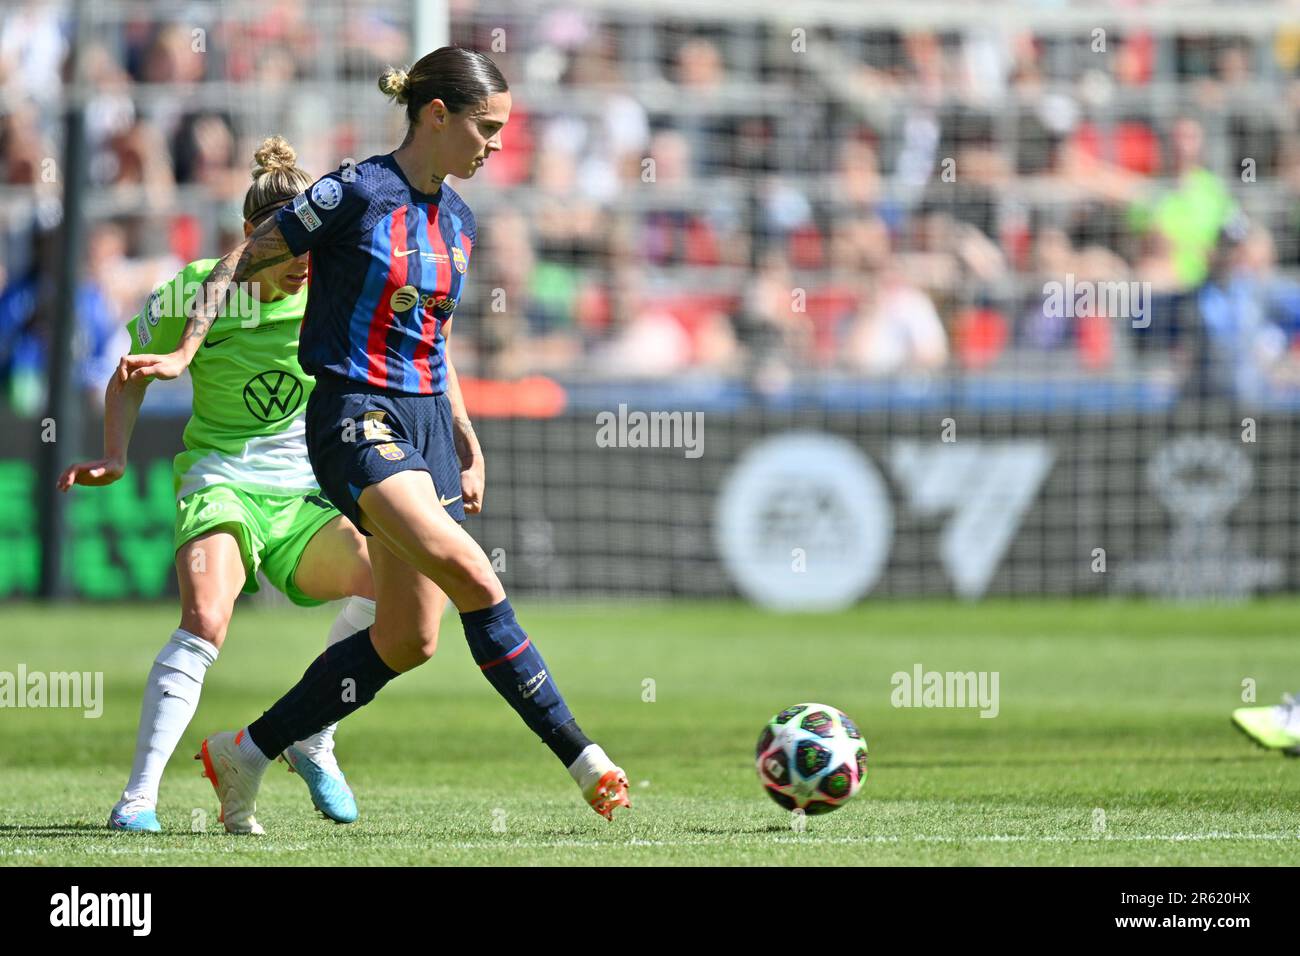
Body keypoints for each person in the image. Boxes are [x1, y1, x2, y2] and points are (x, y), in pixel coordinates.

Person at [122, 48, 630, 833]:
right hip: (354, 417)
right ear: (437, 115)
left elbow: (433, 340)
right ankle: (583, 756)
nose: (497, 143)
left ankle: (249, 751)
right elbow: (244, 255)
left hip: (424, 423)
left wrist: (465, 436)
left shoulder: (459, 221)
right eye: (486, 127)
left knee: (408, 638)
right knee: (474, 573)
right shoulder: (356, 191)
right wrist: (187, 351)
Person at [60, 137, 376, 832]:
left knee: (391, 585)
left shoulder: (333, 288)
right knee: (206, 618)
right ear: (251, 236)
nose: (302, 259)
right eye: (289, 242)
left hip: (302, 495)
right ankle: (137, 799)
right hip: (222, 481)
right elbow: (129, 373)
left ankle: (313, 735)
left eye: (312, 241)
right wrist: (114, 456)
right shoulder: (198, 288)